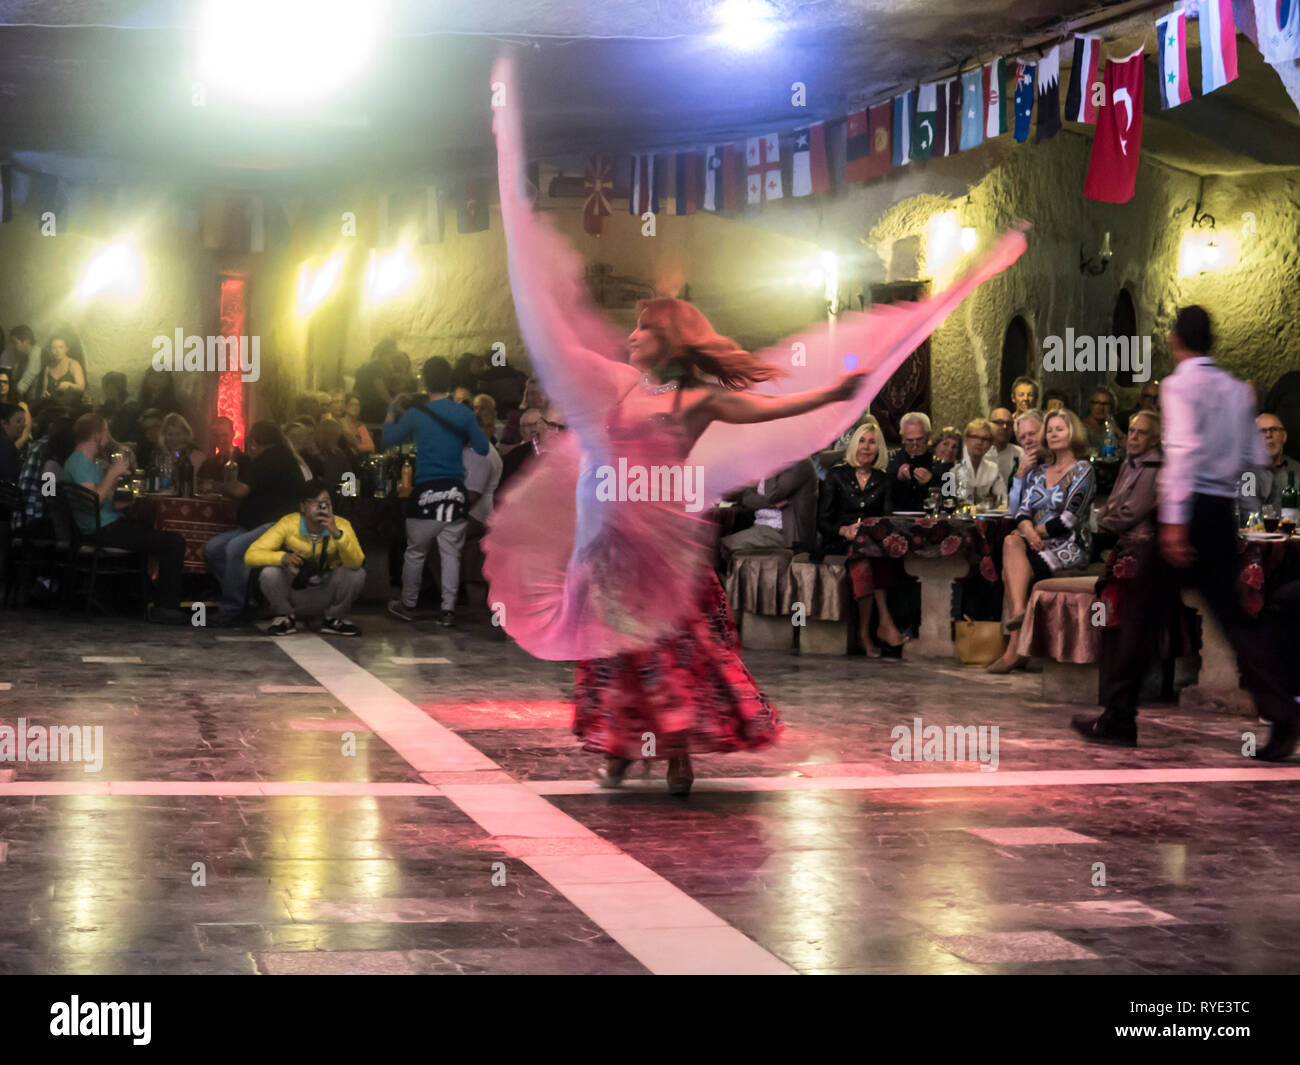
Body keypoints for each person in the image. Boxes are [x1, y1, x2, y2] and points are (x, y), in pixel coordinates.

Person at [483, 54, 1028, 795]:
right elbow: (560, 344)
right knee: (619, 651)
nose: (631, 337)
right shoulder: (618, 389)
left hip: (661, 547)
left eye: (643, 331)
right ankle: (620, 744)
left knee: (676, 651)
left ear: (667, 343)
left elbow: (779, 407)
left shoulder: (696, 403)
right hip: (609, 543)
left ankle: (673, 753)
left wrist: (839, 386)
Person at [1074, 306, 1299, 759]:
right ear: (1211, 341)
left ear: (1177, 340)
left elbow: (1182, 452)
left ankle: (1118, 717)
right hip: (1219, 511)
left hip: (1186, 510)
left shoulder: (1179, 386)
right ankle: (1284, 713)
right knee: (1236, 620)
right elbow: (1254, 453)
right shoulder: (1236, 390)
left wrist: (1175, 522)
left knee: (1139, 616)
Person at [986, 408, 1096, 673]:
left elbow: (1069, 520)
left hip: (1069, 544)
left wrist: (1032, 533)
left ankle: (1015, 650)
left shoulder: (1083, 469)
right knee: (1011, 543)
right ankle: (1020, 615)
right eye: (1051, 430)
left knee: (1011, 569)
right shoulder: (1038, 471)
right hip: (1035, 540)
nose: (1054, 434)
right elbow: (1022, 511)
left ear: (1072, 433)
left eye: (1060, 429)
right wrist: (1027, 531)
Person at [384, 355, 490, 627]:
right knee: (451, 553)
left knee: (416, 552)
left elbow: (388, 439)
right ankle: (448, 610)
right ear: (451, 380)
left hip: (427, 490)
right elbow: (482, 448)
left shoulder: (416, 415)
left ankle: (407, 604)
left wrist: (392, 410)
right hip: (455, 492)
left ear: (424, 380)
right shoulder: (464, 413)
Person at [63, 413, 187, 623]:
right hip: (100, 529)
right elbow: (93, 500)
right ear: (96, 434)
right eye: (106, 432)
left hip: (108, 523)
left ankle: (139, 600)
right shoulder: (78, 463)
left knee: (155, 530)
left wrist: (126, 497)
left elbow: (107, 498)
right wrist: (112, 473)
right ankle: (166, 607)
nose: (108, 438)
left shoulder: (91, 463)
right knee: (174, 542)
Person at [819, 421, 907, 657]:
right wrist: (843, 530)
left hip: (871, 544)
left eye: (872, 442)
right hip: (840, 541)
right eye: (862, 441)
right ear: (853, 445)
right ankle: (876, 629)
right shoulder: (835, 476)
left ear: (878, 449)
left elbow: (887, 520)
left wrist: (869, 533)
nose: (866, 447)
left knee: (871, 557)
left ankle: (870, 630)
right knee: (865, 557)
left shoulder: (885, 480)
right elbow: (823, 521)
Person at [204, 422, 306, 626]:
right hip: (260, 523)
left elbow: (241, 490)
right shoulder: (280, 456)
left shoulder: (272, 456)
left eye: (252, 443)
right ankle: (248, 600)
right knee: (214, 548)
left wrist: (217, 486)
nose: (250, 448)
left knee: (236, 548)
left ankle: (231, 611)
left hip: (277, 524)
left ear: (258, 442)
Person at [244, 479, 365, 637]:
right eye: (315, 503)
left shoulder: (342, 525)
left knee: (357, 573)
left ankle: (333, 620)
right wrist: (283, 557)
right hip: (296, 592)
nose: (321, 508)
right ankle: (286, 618)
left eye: (325, 503)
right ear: (303, 506)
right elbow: (251, 555)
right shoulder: (289, 523)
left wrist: (337, 535)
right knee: (269, 572)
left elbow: (356, 562)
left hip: (326, 591)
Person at [720, 457, 817, 560]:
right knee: (713, 540)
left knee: (721, 546)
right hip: (762, 527)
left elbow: (771, 495)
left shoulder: (799, 462)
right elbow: (733, 493)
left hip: (784, 533)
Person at [1095, 411, 1162, 559]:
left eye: (1142, 433)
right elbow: (1113, 501)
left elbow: (1130, 513)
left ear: (1154, 440)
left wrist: (1100, 524)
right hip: (1116, 533)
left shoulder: (1153, 467)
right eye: (1132, 431)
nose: (1134, 437)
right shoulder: (1130, 461)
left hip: (1134, 542)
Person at [1238, 413, 1300, 520]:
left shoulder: (1297, 470)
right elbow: (1250, 513)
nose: (1268, 435)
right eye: (1262, 431)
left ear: (1284, 436)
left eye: (1274, 429)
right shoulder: (1247, 473)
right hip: (1256, 534)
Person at [885, 411, 938, 513]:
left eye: (919, 439)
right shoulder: (891, 461)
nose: (915, 445)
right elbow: (882, 498)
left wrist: (931, 482)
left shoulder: (939, 461)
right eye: (910, 440)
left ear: (928, 436)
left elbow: (950, 496)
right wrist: (896, 478)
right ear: (903, 439)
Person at [955, 417, 1008, 507]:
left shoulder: (992, 468)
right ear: (966, 439)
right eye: (975, 437)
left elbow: (1003, 499)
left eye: (985, 439)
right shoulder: (955, 463)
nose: (979, 442)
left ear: (991, 444)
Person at [1007, 408, 1048, 514]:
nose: (1028, 441)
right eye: (1022, 437)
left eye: (1032, 434)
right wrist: (1020, 475)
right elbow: (1014, 511)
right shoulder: (1027, 468)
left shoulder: (1059, 464)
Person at [354, 340, 399, 426]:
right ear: (390, 351)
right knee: (370, 436)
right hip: (374, 410)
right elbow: (381, 391)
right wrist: (395, 406)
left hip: (371, 408)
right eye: (395, 350)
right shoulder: (377, 366)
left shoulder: (378, 365)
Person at [197, 416, 249, 484]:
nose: (221, 440)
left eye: (225, 435)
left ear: (233, 434)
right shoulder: (208, 464)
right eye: (216, 436)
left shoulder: (244, 461)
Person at [36, 335, 86, 403]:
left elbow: (81, 388)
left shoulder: (73, 364)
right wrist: (44, 394)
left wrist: (69, 385)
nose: (57, 351)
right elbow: (44, 392)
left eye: (61, 347)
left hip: (70, 406)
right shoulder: (48, 368)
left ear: (66, 349)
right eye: (54, 348)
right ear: (50, 350)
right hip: (53, 405)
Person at [988, 407, 1024, 488]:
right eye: (999, 422)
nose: (1005, 427)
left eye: (1009, 423)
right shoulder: (980, 453)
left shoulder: (1020, 453)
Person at [1083, 386, 1121, 456]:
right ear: (1091, 405)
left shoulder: (1112, 428)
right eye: (1097, 403)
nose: (1100, 407)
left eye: (1105, 404)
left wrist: (1118, 433)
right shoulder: (1081, 428)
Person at [5, 326, 40, 400]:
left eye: (15, 343)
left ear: (26, 341)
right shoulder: (21, 354)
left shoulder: (36, 353)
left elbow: (29, 375)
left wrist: (14, 396)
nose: (13, 346)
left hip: (32, 401)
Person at [0, 403, 26, 483]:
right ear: (4, 423)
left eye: (24, 421)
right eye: (18, 421)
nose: (23, 425)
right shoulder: (7, 447)